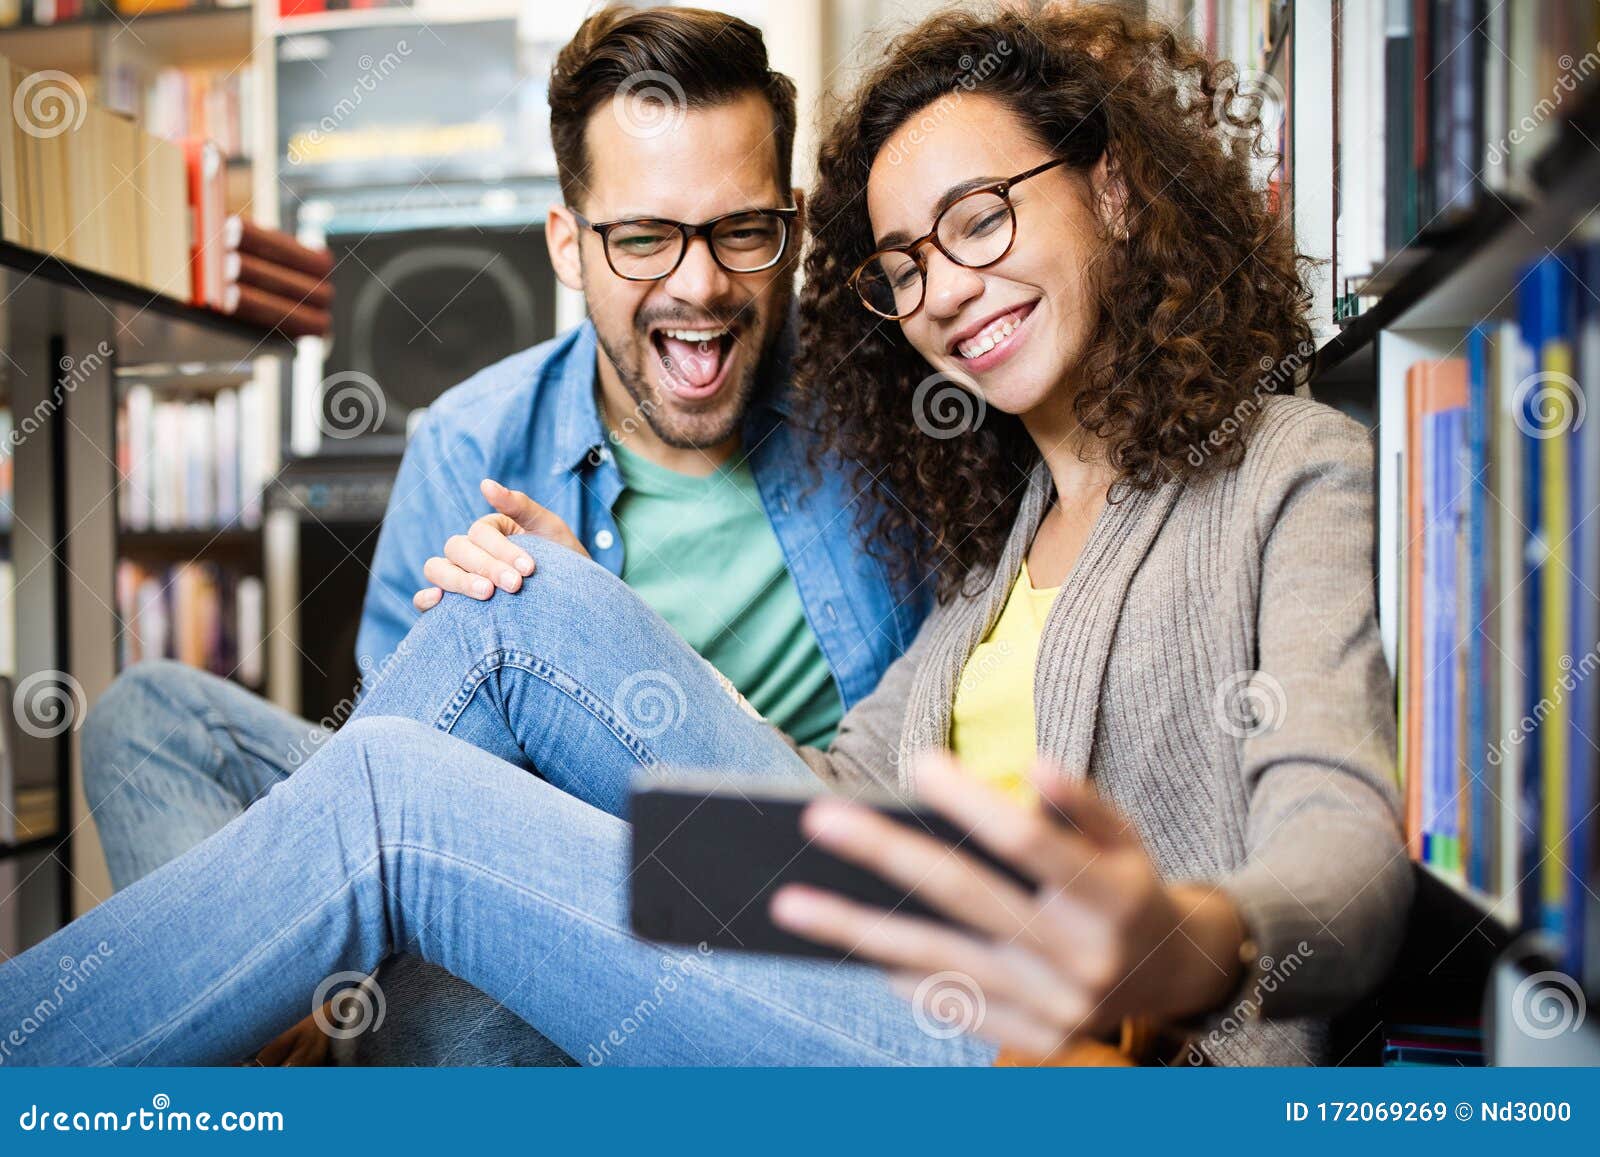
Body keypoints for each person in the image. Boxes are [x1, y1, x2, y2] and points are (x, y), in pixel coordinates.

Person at [2, 4, 1410, 1067]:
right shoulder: (1002, 547)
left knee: (392, 804)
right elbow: (816, 795)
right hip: (859, 952)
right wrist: (566, 649)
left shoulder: (1287, 473)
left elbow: (1347, 861)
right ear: (573, 245)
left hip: (1022, 1056)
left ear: (1108, 189)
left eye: (978, 220)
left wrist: (1177, 939)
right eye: (908, 262)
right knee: (171, 714)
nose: (944, 290)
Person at [81, 5, 923, 1066]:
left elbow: (902, 780)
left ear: (792, 224)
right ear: (569, 244)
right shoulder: (469, 439)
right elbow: (406, 773)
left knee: (515, 622)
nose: (699, 284)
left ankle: (270, 1038)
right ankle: (295, 1027)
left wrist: (594, 624)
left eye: (741, 230)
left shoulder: (894, 419)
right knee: (146, 715)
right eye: (644, 237)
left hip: (729, 888)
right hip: (498, 859)